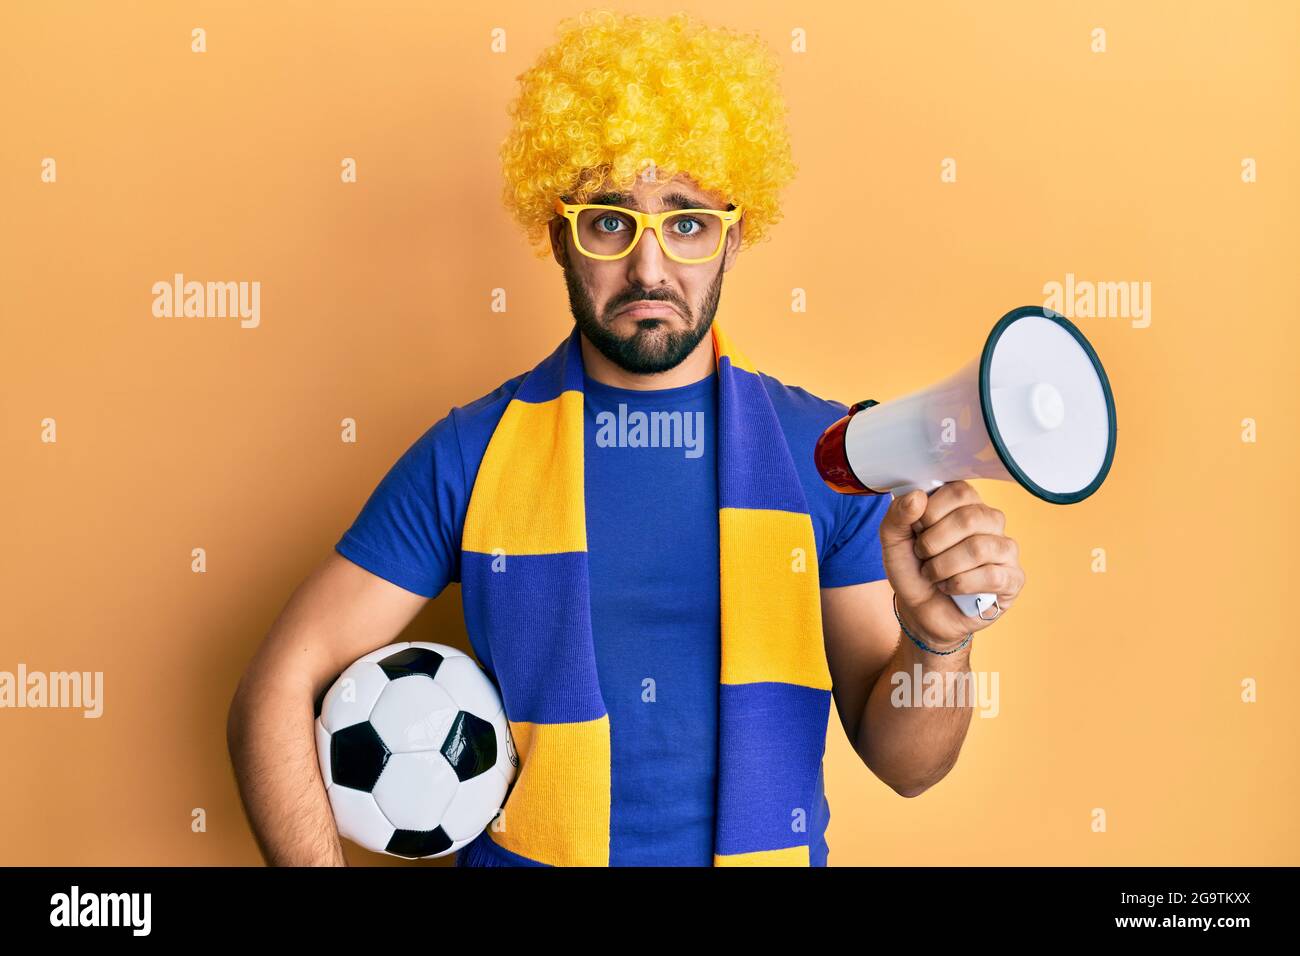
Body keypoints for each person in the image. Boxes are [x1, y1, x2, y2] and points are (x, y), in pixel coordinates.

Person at [226, 9, 1025, 867]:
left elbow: (907, 766)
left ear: (735, 234)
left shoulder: (831, 455)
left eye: (686, 223)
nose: (649, 269)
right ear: (559, 234)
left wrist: (939, 642)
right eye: (610, 221)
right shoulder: (471, 453)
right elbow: (273, 689)